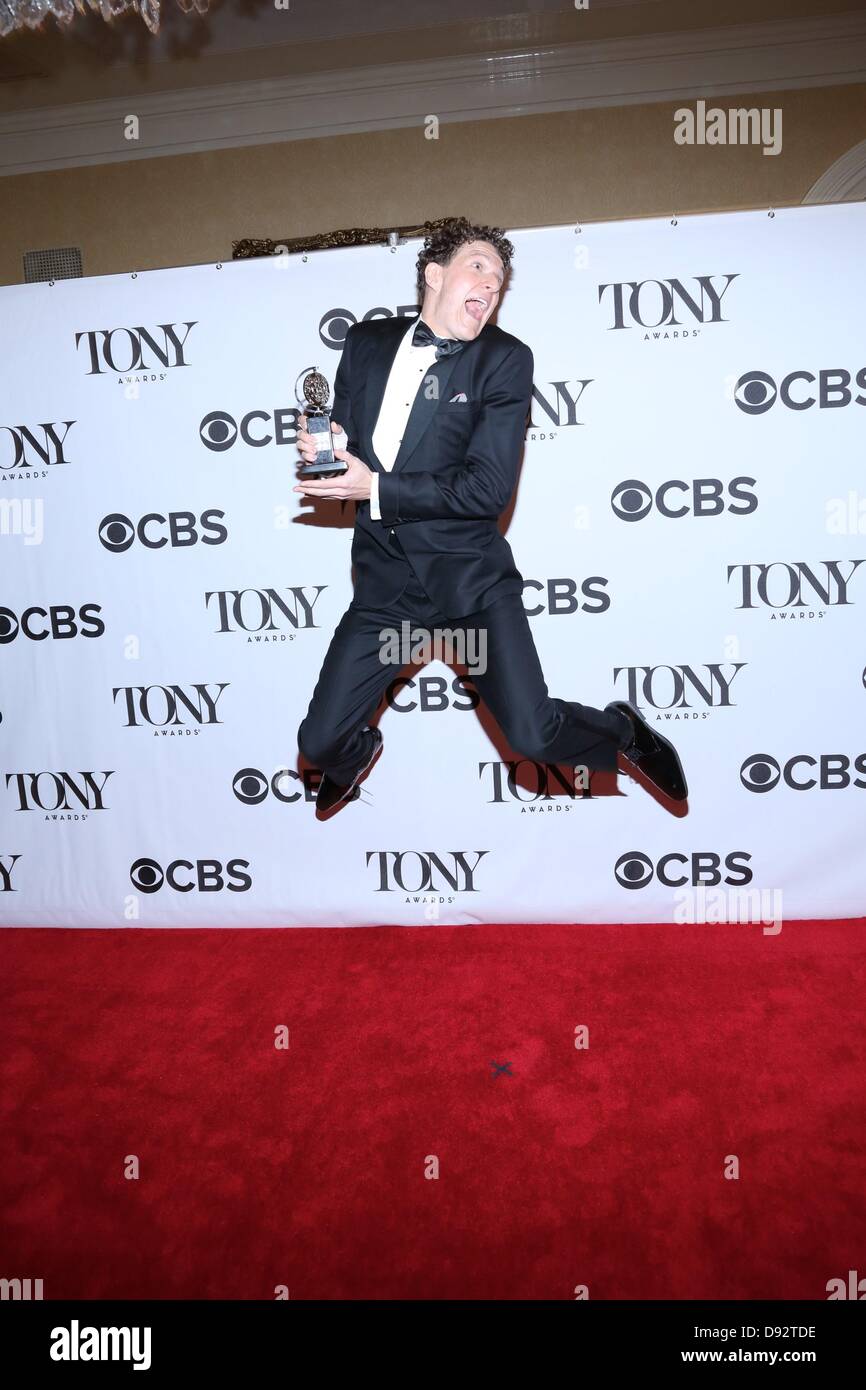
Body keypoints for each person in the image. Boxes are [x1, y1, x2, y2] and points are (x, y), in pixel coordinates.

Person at [294, 216, 687, 818]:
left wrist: (373, 484)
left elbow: (486, 488)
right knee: (318, 741)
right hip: (388, 591)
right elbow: (348, 430)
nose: (491, 284)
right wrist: (329, 448)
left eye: (500, 279)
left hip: (470, 585)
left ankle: (621, 731)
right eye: (478, 266)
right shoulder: (367, 343)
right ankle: (356, 755)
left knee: (534, 737)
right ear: (434, 274)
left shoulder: (504, 361)